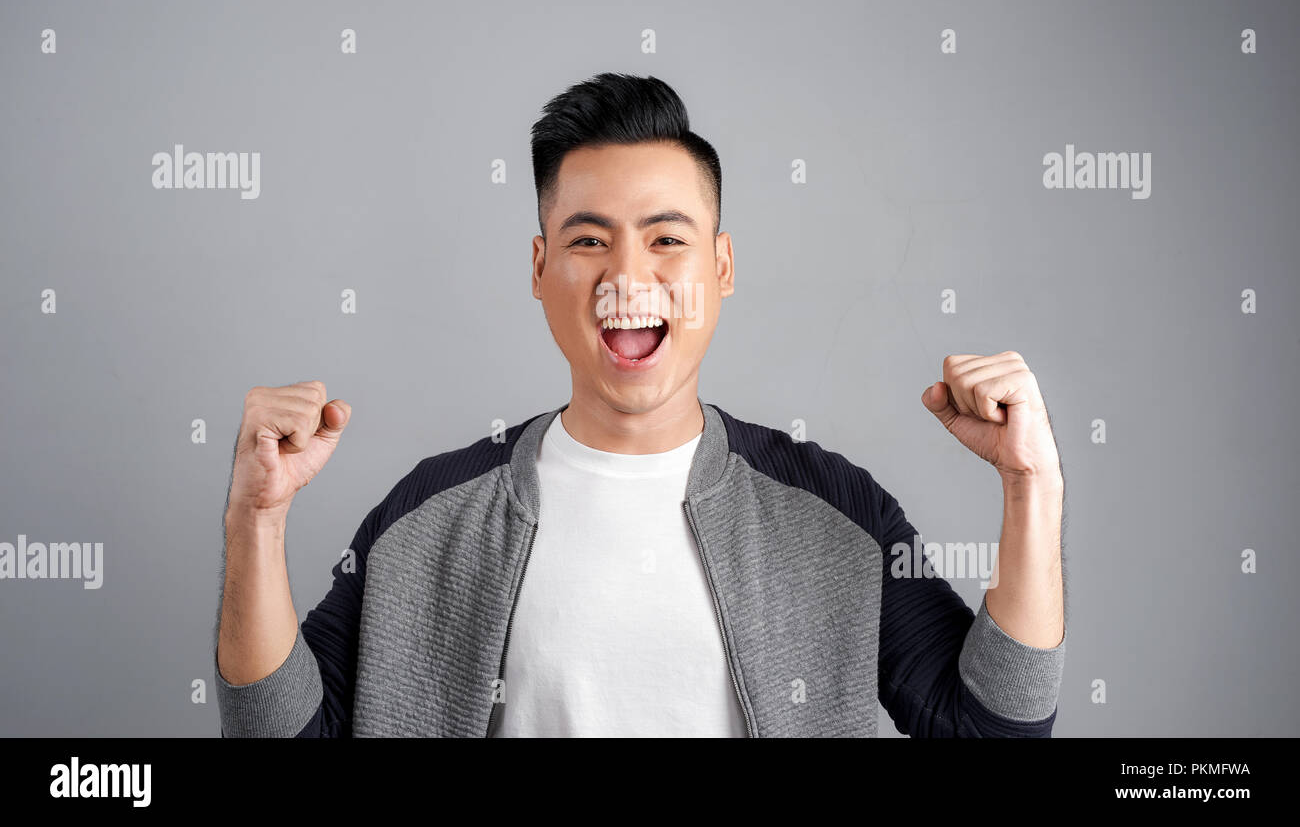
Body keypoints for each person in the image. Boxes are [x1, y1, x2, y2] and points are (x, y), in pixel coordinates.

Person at [214, 72, 1066, 737]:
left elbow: (991, 725)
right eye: (589, 240)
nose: (627, 277)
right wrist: (254, 523)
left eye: (666, 238)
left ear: (721, 267)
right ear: (540, 268)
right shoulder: (423, 517)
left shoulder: (834, 515)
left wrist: (1032, 489)